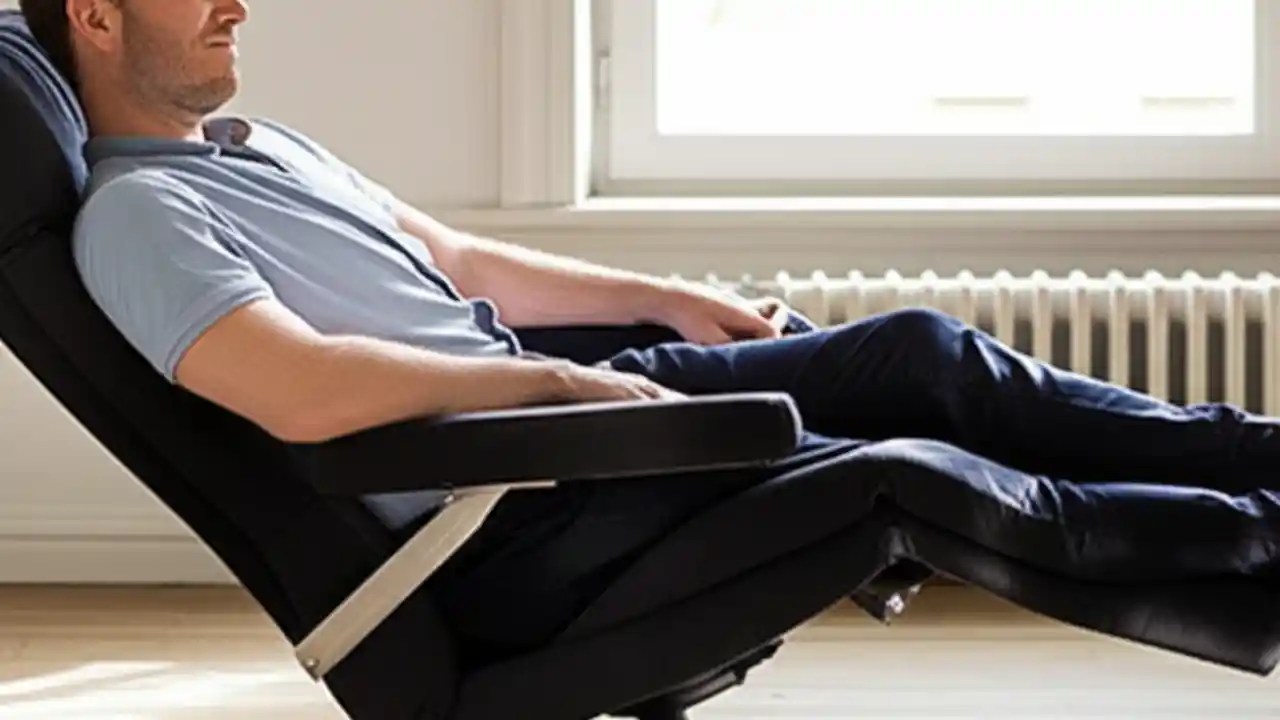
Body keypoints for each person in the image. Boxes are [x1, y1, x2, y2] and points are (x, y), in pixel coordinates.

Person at [20, 0, 1279, 656]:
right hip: (507, 503)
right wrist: (556, 397)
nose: (236, 6)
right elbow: (295, 392)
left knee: (914, 356)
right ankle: (1256, 547)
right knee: (902, 481)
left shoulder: (256, 147)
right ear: (94, 16)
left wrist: (662, 300)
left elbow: (453, 261)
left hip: (551, 415)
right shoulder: (135, 219)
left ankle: (1257, 457)